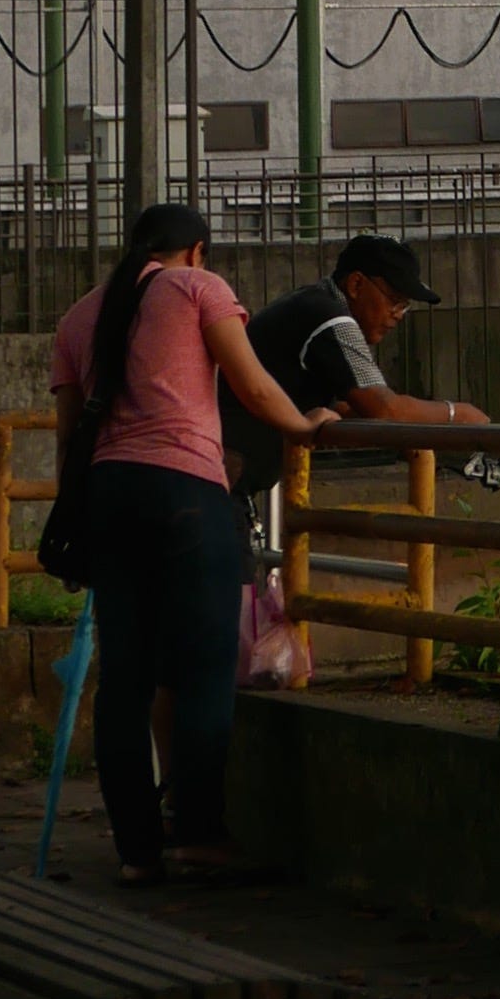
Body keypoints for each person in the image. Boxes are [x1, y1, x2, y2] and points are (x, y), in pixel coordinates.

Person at [49, 203, 333, 885]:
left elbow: (67, 438)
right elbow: (253, 385)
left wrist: (83, 517)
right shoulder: (199, 289)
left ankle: (136, 850)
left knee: (125, 676)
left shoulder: (78, 316)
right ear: (196, 251)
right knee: (205, 664)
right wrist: (307, 423)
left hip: (107, 493)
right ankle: (199, 833)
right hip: (183, 490)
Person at [243, 233, 491, 443]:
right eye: (395, 301)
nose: (398, 315)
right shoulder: (330, 317)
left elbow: (345, 408)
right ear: (356, 284)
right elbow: (384, 409)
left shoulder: (309, 303)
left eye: (405, 306)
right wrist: (457, 414)